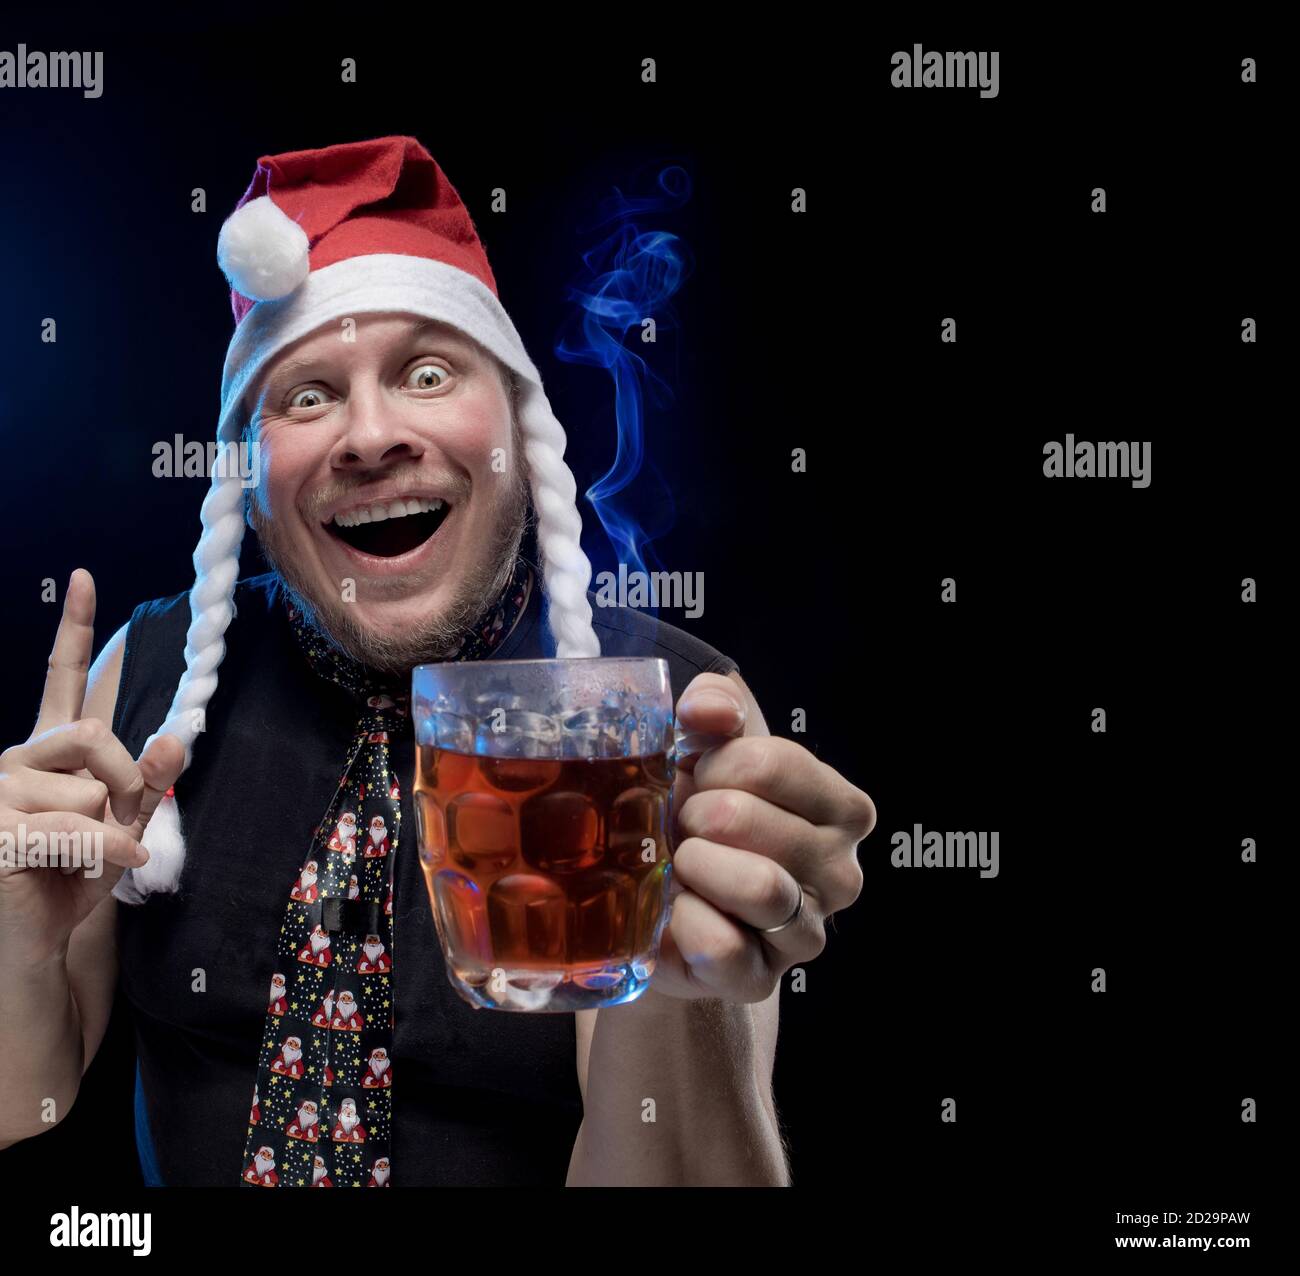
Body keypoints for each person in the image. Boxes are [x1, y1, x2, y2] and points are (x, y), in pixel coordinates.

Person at [0, 136, 875, 1186]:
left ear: (515, 419)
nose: (369, 436)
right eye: (307, 394)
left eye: (425, 370)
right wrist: (13, 935)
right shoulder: (145, 679)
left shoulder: (667, 729)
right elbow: (24, 1096)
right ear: (249, 471)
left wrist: (682, 985)